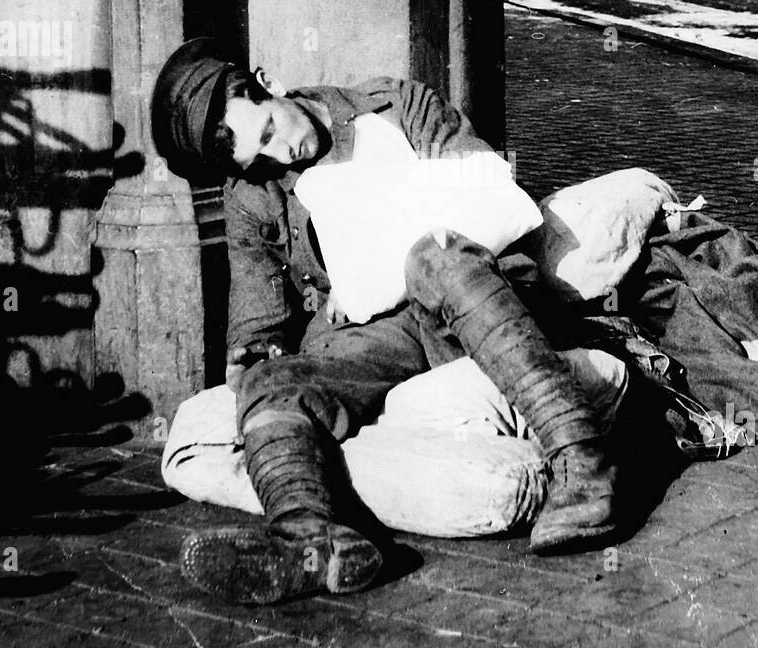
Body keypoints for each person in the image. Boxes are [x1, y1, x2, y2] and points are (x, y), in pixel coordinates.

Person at [151, 39, 619, 606]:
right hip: (378, 341)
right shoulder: (251, 196)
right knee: (266, 383)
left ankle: (582, 458)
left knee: (432, 254)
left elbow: (493, 201)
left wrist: (371, 276)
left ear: (266, 81)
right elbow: (258, 332)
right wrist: (258, 360)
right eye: (262, 160)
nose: (283, 157)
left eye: (271, 131)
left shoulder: (398, 107)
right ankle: (308, 538)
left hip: (470, 300)